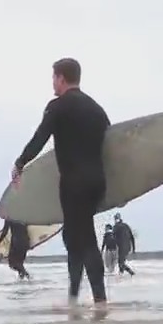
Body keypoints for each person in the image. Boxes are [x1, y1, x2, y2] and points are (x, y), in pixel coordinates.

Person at [12, 58, 110, 303]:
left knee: (84, 237)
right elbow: (112, 147)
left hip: (74, 183)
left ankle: (99, 300)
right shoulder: (97, 109)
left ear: (61, 78)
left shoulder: (58, 107)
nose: (52, 84)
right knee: (73, 235)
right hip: (97, 182)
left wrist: (20, 163)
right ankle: (74, 296)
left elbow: (40, 138)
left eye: (54, 78)